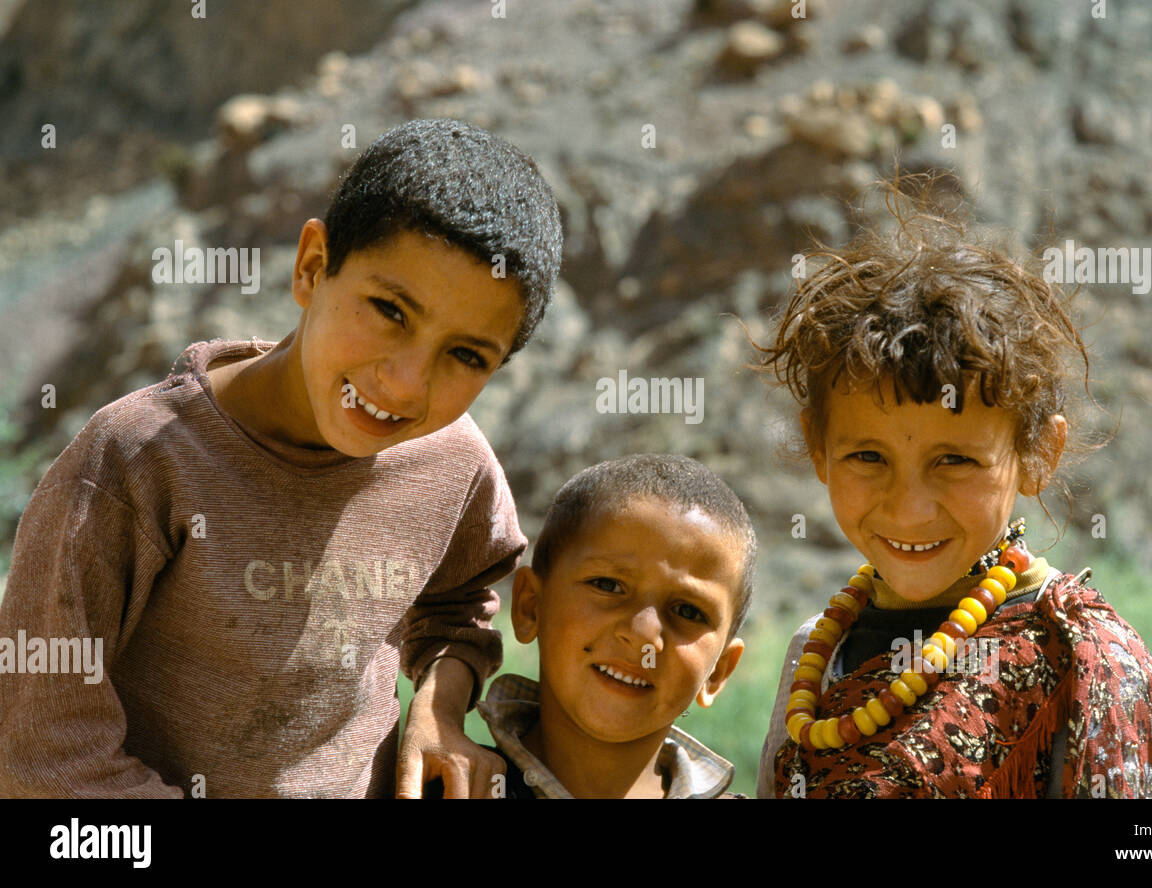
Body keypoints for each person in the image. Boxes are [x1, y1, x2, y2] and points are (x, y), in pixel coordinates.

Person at [0, 119, 562, 798]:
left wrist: (439, 709)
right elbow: (42, 759)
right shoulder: (135, 463)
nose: (408, 382)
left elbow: (459, 605)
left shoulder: (453, 464)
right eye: (390, 309)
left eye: (467, 355)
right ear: (312, 267)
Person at [754, 178, 1152, 799]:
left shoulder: (1082, 658)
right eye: (867, 456)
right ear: (818, 449)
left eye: (954, 460)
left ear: (1039, 454)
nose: (909, 507)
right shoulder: (814, 659)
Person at [429, 454, 751, 798]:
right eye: (608, 586)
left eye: (688, 611)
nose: (644, 636)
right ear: (530, 607)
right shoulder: (450, 789)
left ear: (718, 671)